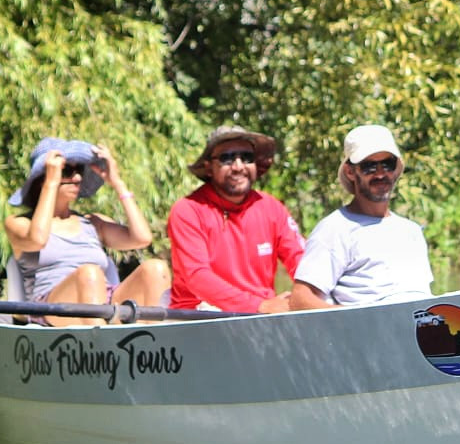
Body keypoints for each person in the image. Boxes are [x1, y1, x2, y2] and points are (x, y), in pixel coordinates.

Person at [4, 137, 171, 325]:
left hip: (104, 301)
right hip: (51, 307)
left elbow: (142, 238)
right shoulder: (19, 223)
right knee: (89, 274)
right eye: (67, 171)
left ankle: (157, 344)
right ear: (43, 178)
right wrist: (51, 182)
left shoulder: (93, 223)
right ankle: (101, 347)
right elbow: (38, 239)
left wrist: (117, 183)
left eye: (79, 170)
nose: (77, 178)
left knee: (156, 269)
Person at [290, 124, 433, 309]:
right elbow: (300, 299)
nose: (381, 174)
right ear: (351, 172)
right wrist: (355, 320)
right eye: (369, 167)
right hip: (368, 331)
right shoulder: (334, 229)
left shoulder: (412, 230)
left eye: (387, 164)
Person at [167, 125, 305, 313]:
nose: (238, 166)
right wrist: (259, 306)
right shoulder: (188, 210)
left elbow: (300, 260)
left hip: (260, 317)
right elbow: (197, 277)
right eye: (227, 158)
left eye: (246, 157)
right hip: (200, 316)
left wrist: (310, 296)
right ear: (209, 167)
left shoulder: (271, 207)